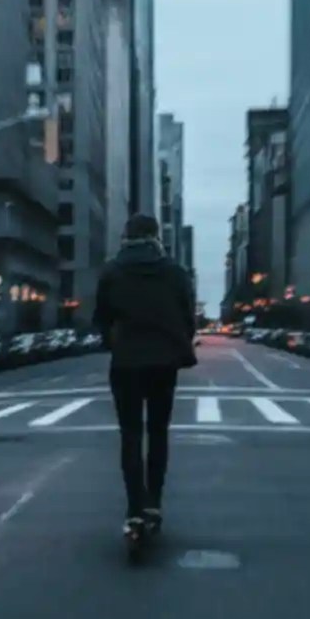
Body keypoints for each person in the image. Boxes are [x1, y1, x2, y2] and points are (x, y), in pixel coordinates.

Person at [94, 214, 197, 536]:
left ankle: (134, 507)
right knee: (158, 432)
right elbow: (187, 316)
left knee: (130, 433)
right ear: (156, 236)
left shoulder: (112, 271)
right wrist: (179, 343)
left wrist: (113, 342)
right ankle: (154, 502)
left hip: (126, 362)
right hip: (164, 361)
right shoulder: (174, 272)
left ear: (126, 236)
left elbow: (101, 318)